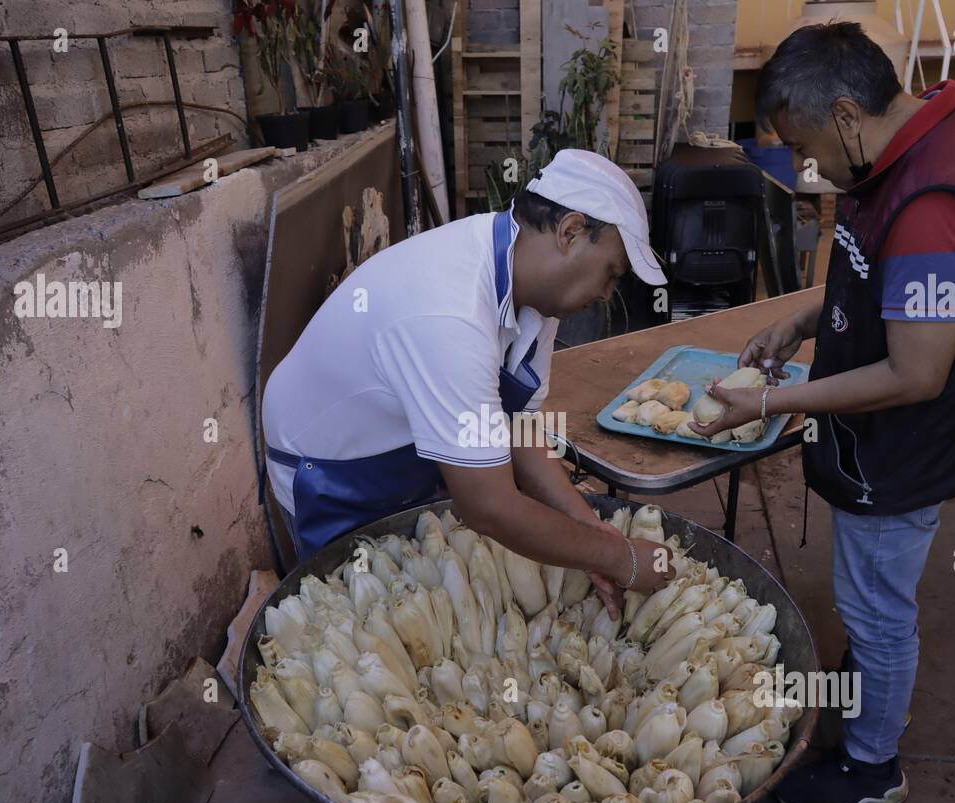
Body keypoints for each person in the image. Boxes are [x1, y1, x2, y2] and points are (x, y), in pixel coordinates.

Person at [691, 22, 955, 803]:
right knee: (873, 596)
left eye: (805, 144)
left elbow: (914, 372)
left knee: (878, 606)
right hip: (913, 417)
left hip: (912, 442)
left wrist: (768, 401)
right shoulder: (927, 133)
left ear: (849, 113)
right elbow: (882, 277)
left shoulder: (935, 204)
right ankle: (870, 698)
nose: (805, 166)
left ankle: (872, 766)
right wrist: (800, 320)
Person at [262, 150, 676, 617]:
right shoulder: (450, 311)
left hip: (405, 450)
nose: (606, 294)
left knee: (415, 600)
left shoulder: (535, 296)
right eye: (611, 273)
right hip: (332, 470)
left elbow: (516, 426)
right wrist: (619, 559)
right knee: (354, 613)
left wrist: (591, 529)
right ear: (570, 232)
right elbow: (488, 506)